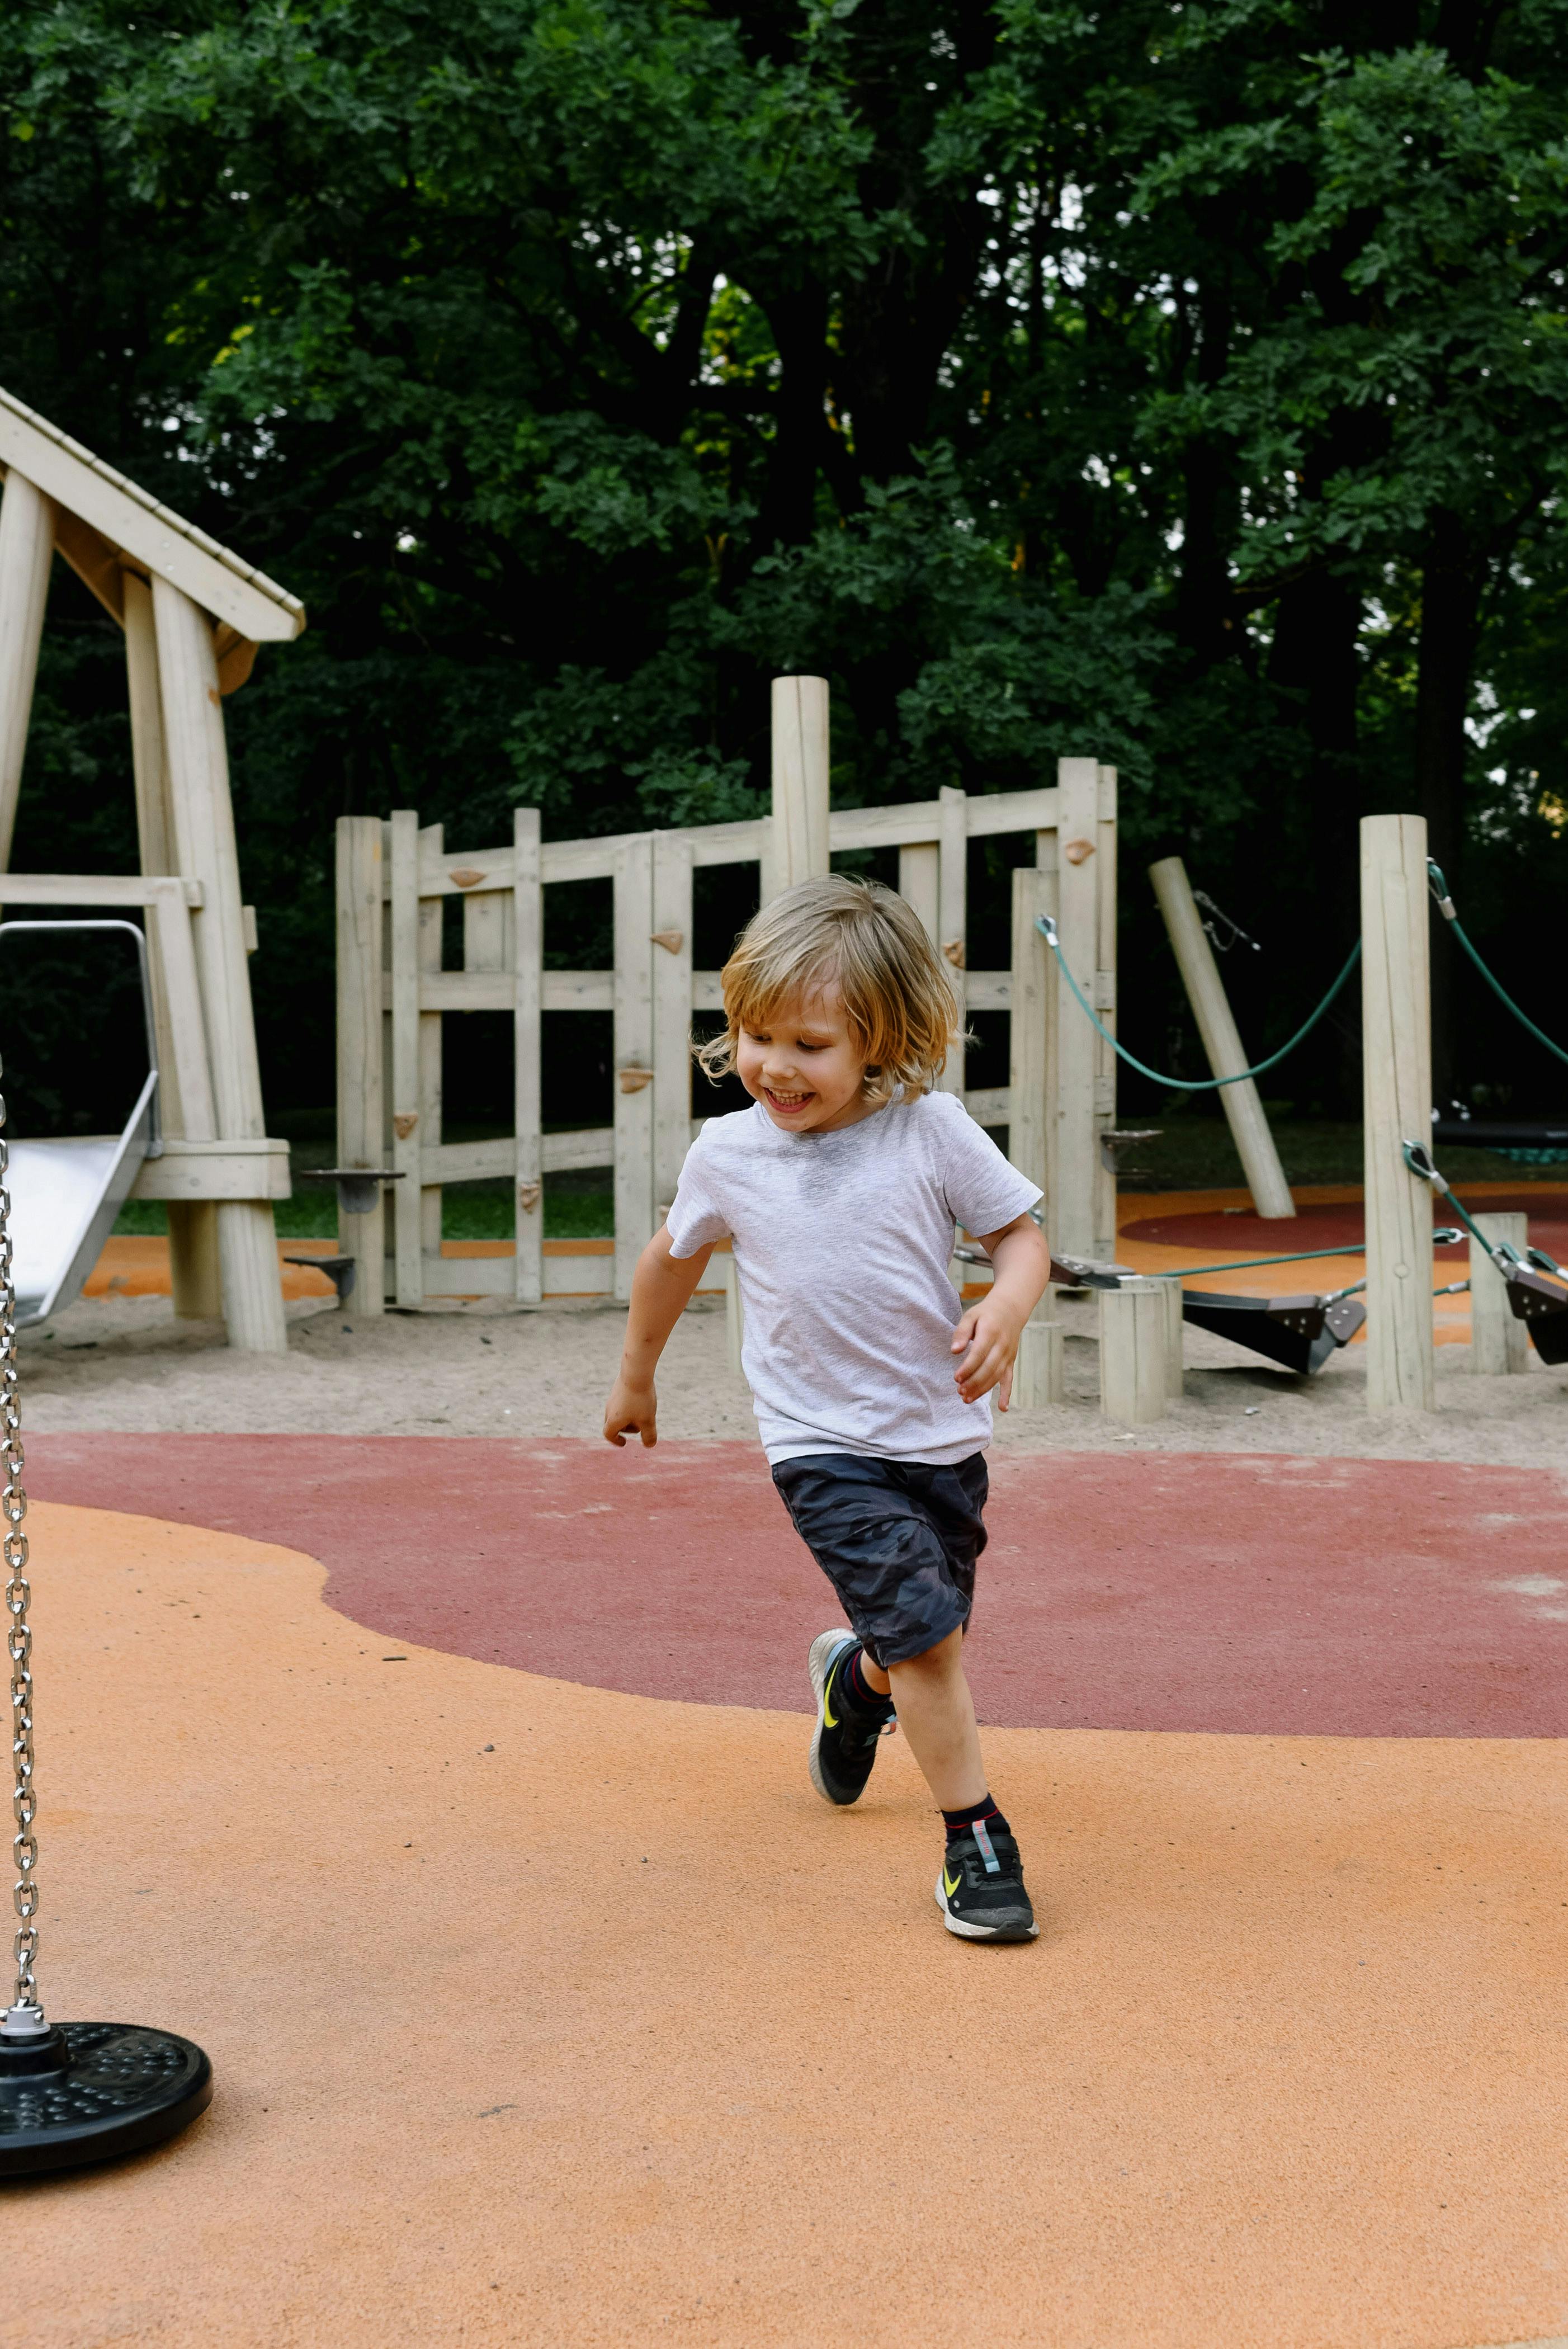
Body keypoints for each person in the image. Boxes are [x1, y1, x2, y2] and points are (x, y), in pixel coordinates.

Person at [602, 874, 1051, 1941]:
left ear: (882, 1042)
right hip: (818, 1444)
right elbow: (672, 1262)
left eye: (808, 1044)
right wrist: (636, 1372)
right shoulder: (729, 1152)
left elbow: (1023, 1237)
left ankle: (855, 1684)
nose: (773, 1066)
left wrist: (1009, 1304)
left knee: (917, 1640)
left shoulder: (931, 1132)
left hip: (941, 1439)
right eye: (756, 1035)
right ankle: (975, 1843)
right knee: (935, 1646)